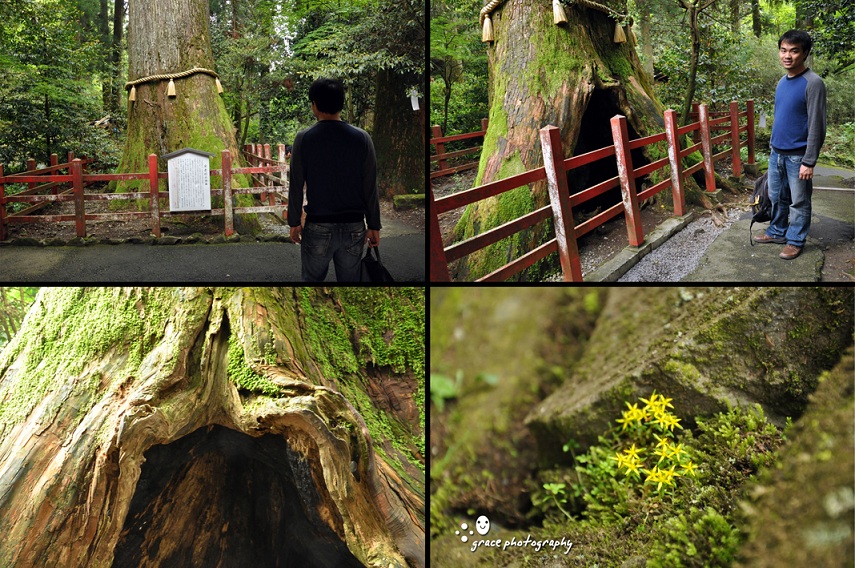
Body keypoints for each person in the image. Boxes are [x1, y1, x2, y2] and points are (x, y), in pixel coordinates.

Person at [288, 78, 381, 281]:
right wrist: (374, 224)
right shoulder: (362, 138)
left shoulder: (304, 138)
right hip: (354, 226)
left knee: (312, 282)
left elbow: (296, 184)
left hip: (318, 225)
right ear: (341, 102)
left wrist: (294, 221)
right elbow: (370, 186)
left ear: (314, 104)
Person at [753, 29, 826, 260]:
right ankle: (777, 231)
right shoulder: (782, 81)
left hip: (798, 157)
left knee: (799, 201)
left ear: (804, 54)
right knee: (776, 196)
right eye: (783, 50)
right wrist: (773, 149)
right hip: (777, 153)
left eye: (794, 51)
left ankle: (795, 240)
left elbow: (817, 124)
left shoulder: (813, 83)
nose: (787, 55)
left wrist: (809, 161)